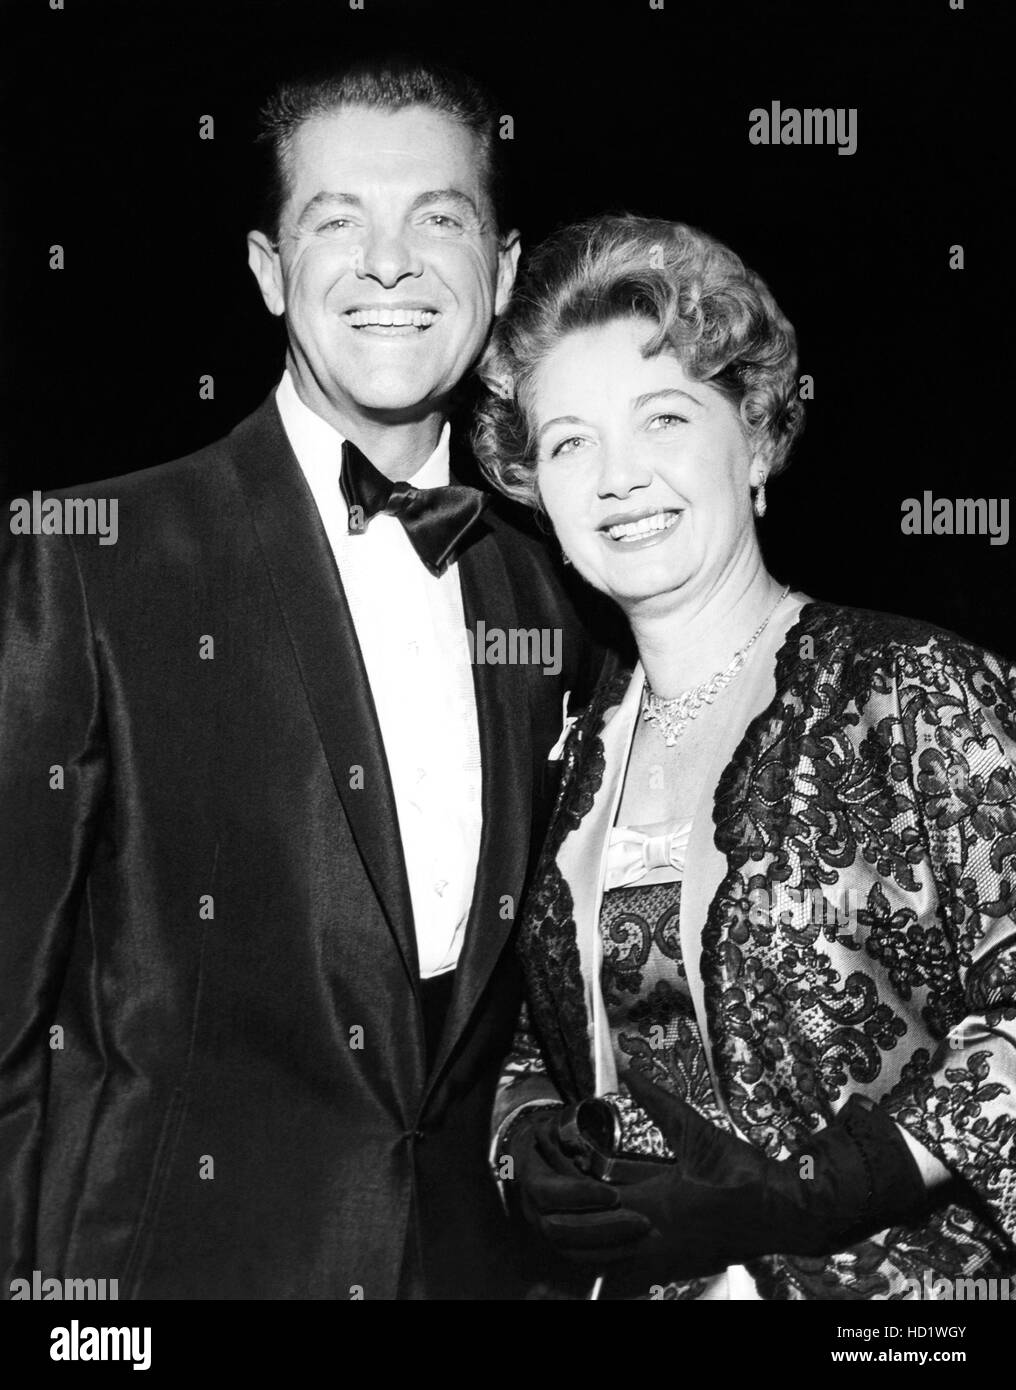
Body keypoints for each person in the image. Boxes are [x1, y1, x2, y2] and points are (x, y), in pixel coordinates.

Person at [0, 58, 602, 1301]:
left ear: (498, 272)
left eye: (437, 218)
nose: (390, 264)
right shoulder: (88, 556)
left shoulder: (547, 595)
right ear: (271, 270)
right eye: (339, 222)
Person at [477, 214, 1016, 1299]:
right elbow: (541, 1038)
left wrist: (824, 1185)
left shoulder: (912, 688)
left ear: (759, 438)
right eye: (570, 440)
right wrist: (525, 1136)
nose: (616, 477)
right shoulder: (571, 741)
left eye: (662, 418)